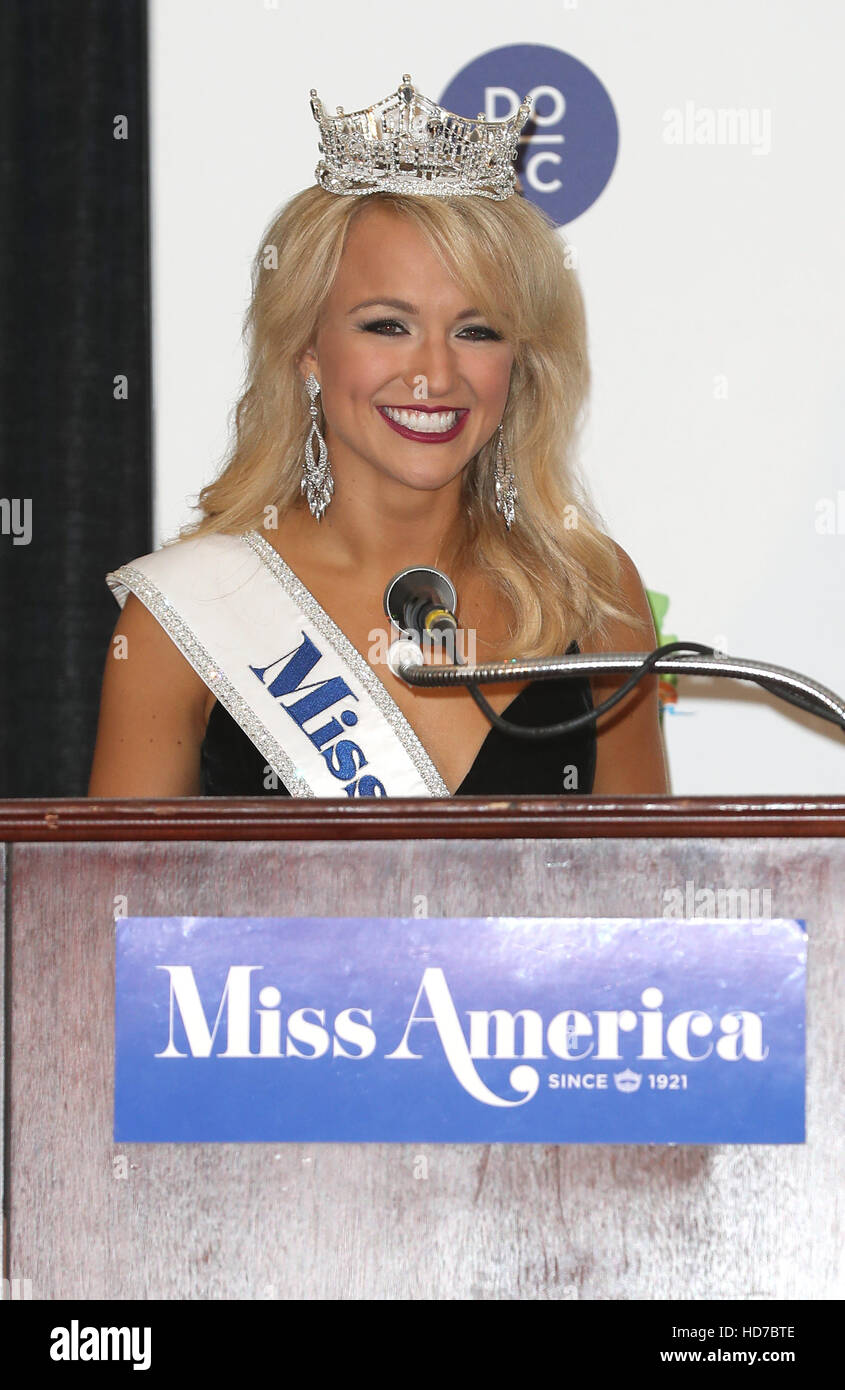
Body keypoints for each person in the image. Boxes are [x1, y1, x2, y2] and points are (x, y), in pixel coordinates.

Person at [88, 75, 669, 799]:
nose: (433, 373)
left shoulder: (592, 592)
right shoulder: (185, 617)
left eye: (476, 330)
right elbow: (115, 904)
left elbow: (642, 892)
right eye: (386, 326)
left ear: (517, 364)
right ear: (306, 348)